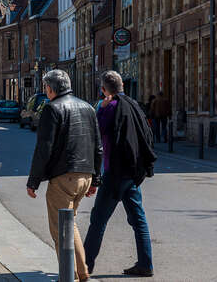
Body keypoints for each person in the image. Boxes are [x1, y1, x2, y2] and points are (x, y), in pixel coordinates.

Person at [26, 70, 101, 282]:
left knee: (61, 230)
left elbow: (44, 148)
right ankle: (81, 272)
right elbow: (98, 146)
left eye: (45, 88)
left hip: (64, 177)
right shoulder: (87, 107)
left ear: (50, 88)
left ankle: (71, 276)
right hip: (85, 175)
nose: (45, 92)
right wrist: (95, 179)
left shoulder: (52, 109)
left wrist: (33, 181)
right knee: (70, 224)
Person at [84, 71, 156, 278]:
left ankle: (85, 266)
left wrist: (101, 110)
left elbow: (95, 133)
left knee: (98, 220)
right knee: (138, 219)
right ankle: (145, 264)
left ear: (103, 90)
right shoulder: (133, 104)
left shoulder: (110, 107)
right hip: (132, 172)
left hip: (115, 173)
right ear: (122, 85)